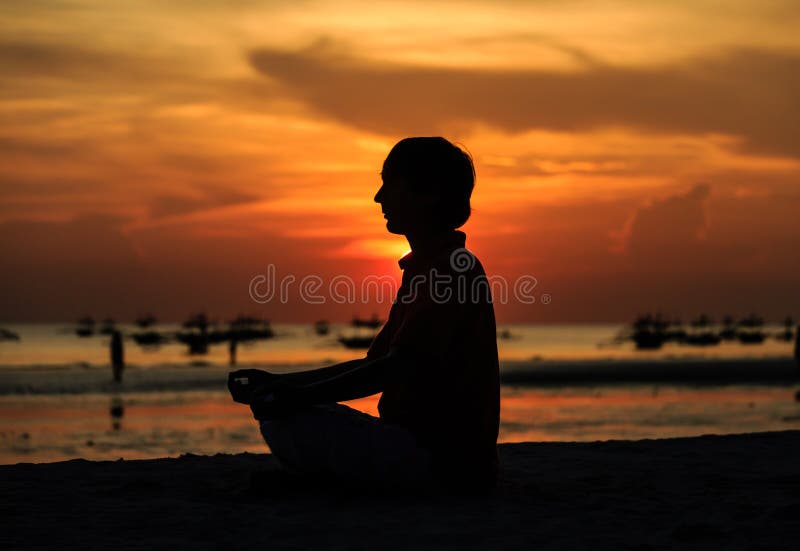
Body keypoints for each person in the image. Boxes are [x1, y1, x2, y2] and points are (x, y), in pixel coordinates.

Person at [229, 137, 500, 493]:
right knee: (283, 411)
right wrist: (284, 382)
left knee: (286, 418)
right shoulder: (428, 269)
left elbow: (392, 369)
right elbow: (373, 364)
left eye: (390, 183)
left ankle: (328, 484)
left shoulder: (449, 271)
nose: (379, 197)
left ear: (428, 193)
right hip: (422, 449)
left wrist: (294, 395)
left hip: (443, 461)